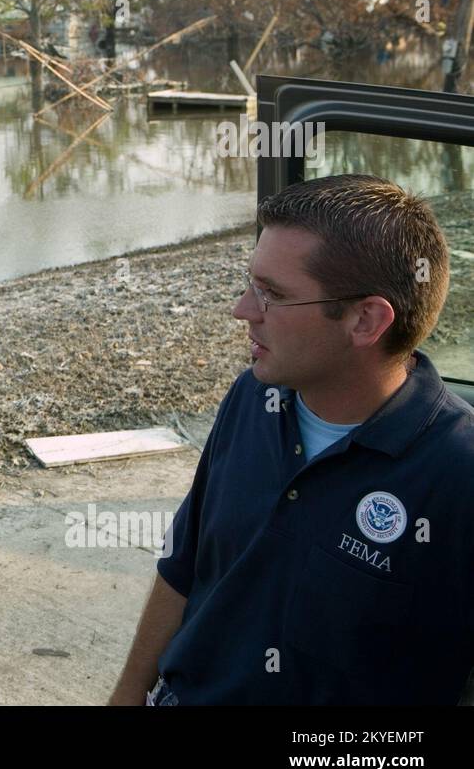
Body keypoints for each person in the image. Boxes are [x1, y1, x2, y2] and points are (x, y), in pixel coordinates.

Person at [110, 173, 474, 705]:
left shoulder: (456, 473)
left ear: (366, 320)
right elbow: (182, 566)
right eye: (252, 284)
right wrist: (127, 696)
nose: (243, 309)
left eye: (273, 295)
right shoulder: (252, 399)